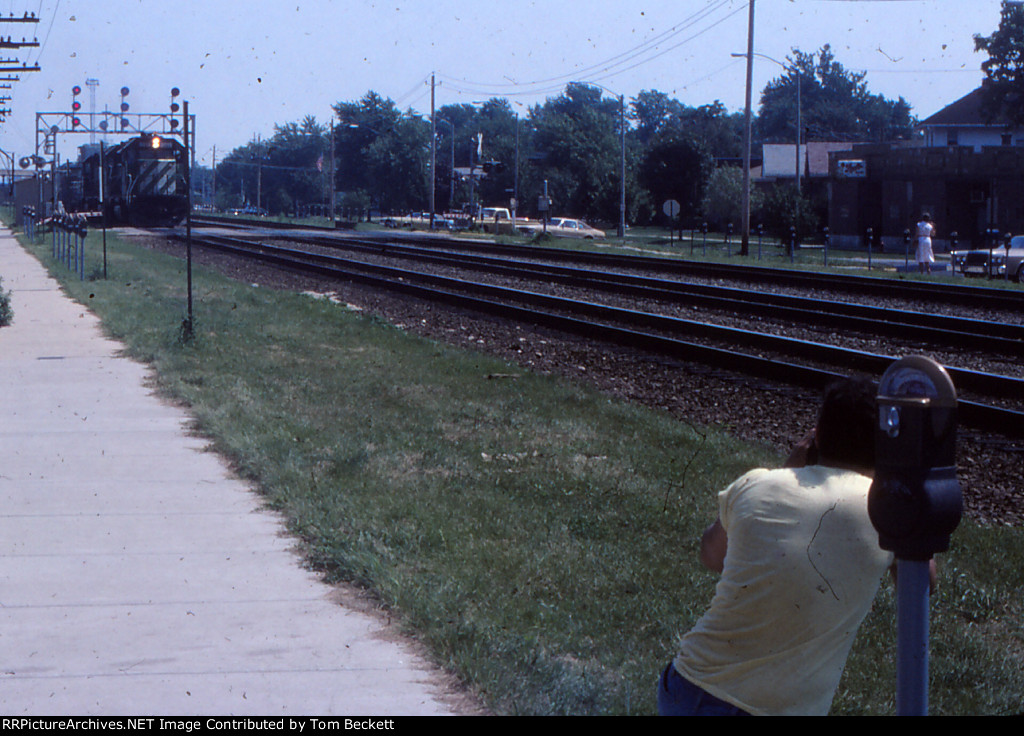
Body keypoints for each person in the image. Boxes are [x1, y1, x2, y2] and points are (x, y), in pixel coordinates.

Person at [657, 376, 895, 717]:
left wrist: (781, 473)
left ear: (816, 435)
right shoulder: (888, 512)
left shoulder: (757, 484)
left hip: (692, 688)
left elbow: (711, 554)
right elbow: (923, 583)